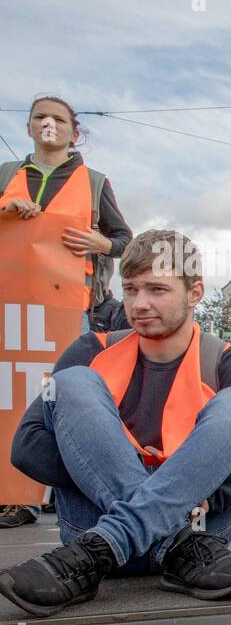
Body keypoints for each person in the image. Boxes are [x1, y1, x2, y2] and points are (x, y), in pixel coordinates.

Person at [0, 230, 231, 618]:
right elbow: (27, 446)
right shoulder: (90, 350)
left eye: (156, 290)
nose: (139, 303)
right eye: (131, 289)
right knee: (72, 383)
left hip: (191, 534)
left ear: (195, 292)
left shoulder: (226, 360)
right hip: (182, 546)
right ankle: (167, 543)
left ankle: (108, 545)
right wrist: (157, 489)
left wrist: (190, 494)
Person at [0, 95, 133, 531]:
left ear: (75, 132)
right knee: (9, 396)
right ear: (29, 127)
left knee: (58, 396)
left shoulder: (94, 182)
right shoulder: (6, 176)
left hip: (67, 307)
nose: (49, 124)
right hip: (10, 303)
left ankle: (62, 490)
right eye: (40, 117)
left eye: (58, 119)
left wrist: (101, 244)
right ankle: (14, 496)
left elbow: (124, 240)